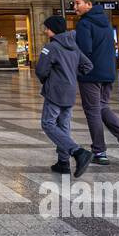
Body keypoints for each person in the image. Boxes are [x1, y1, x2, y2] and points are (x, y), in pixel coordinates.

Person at [71, 0, 119, 166]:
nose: (75, 7)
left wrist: (74, 67)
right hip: (108, 73)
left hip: (91, 74)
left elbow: (84, 51)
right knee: (101, 106)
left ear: (89, 4)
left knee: (92, 111)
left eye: (78, 3)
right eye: (74, 3)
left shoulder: (84, 24)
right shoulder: (105, 22)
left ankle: (99, 151)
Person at [36, 16, 94, 177]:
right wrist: (72, 75)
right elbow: (88, 65)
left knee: (48, 123)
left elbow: (41, 70)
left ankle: (78, 152)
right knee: (63, 125)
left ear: (53, 29)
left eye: (47, 28)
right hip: (70, 91)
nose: (45, 30)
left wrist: (48, 80)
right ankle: (63, 162)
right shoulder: (73, 46)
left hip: (55, 91)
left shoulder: (51, 47)